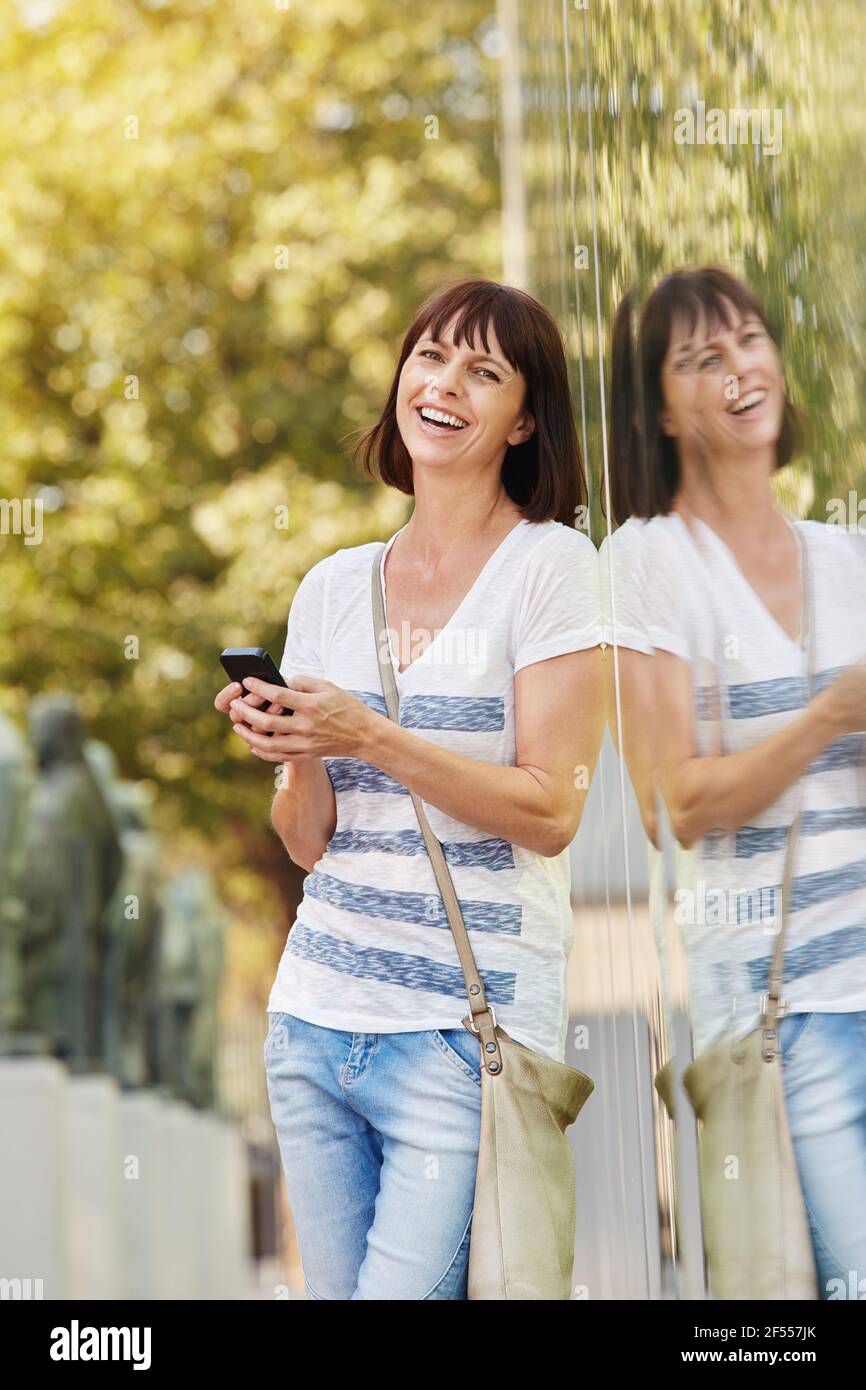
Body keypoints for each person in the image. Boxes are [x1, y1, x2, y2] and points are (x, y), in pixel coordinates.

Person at [215, 277, 605, 1300]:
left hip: (458, 1038)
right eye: (429, 356)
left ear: (524, 420)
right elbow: (308, 842)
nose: (443, 385)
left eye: (483, 371)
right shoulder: (334, 586)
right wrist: (298, 745)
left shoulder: (552, 569)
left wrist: (372, 735)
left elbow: (551, 810)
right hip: (314, 1019)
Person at [600, 265, 866, 1298]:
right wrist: (828, 717)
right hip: (780, 1006)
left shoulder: (846, 557)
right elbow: (673, 801)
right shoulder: (651, 562)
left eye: (749, 341)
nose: (739, 368)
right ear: (660, 412)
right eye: (701, 358)